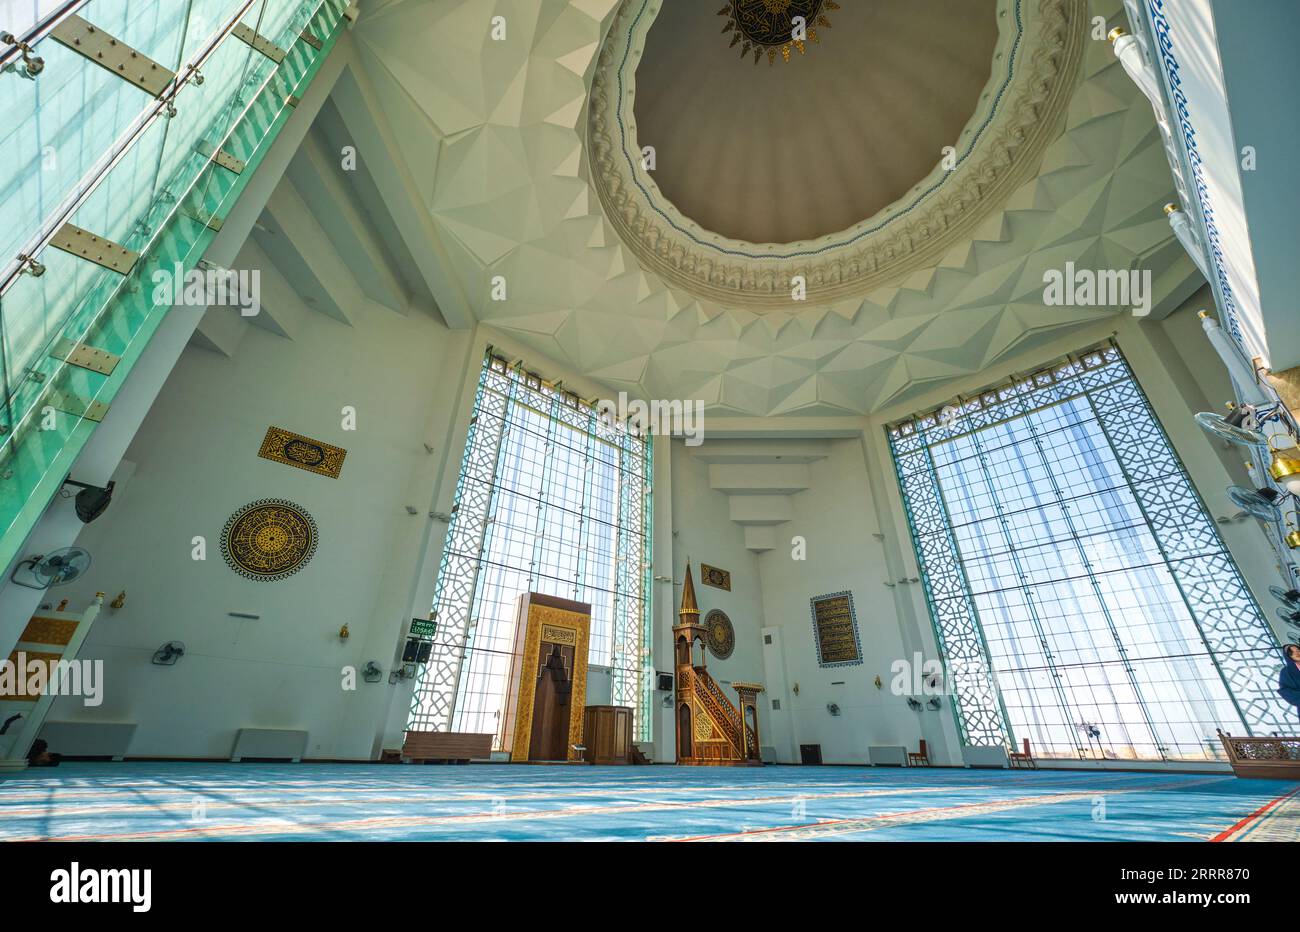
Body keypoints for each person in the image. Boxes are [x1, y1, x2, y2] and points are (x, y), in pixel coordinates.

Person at [1279, 644, 1300, 724]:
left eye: (1298, 650)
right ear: (1287, 656)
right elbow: (1285, 692)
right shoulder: (1286, 672)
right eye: (1291, 652)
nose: (1296, 653)